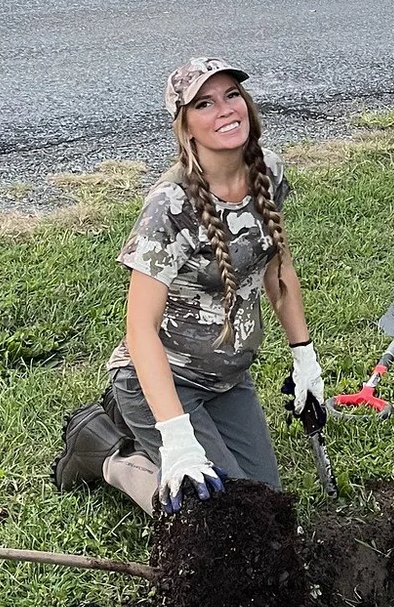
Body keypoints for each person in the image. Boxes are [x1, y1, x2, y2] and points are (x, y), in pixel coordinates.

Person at [51, 58, 327, 514]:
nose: (225, 110)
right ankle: (107, 455)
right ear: (186, 126)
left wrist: (305, 357)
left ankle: (149, 439)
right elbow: (140, 328)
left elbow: (279, 272)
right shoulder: (170, 207)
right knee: (217, 514)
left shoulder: (268, 173)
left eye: (232, 95)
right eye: (204, 103)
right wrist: (177, 437)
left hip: (227, 379)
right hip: (160, 379)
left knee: (269, 506)